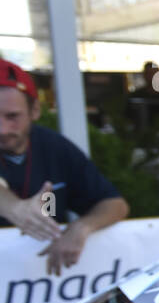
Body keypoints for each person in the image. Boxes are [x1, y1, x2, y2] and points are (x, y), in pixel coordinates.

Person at [0, 59, 130, 275]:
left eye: (12, 116)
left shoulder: (53, 145)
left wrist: (82, 227)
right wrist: (15, 208)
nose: (3, 129)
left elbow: (114, 204)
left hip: (40, 283)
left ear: (34, 110)